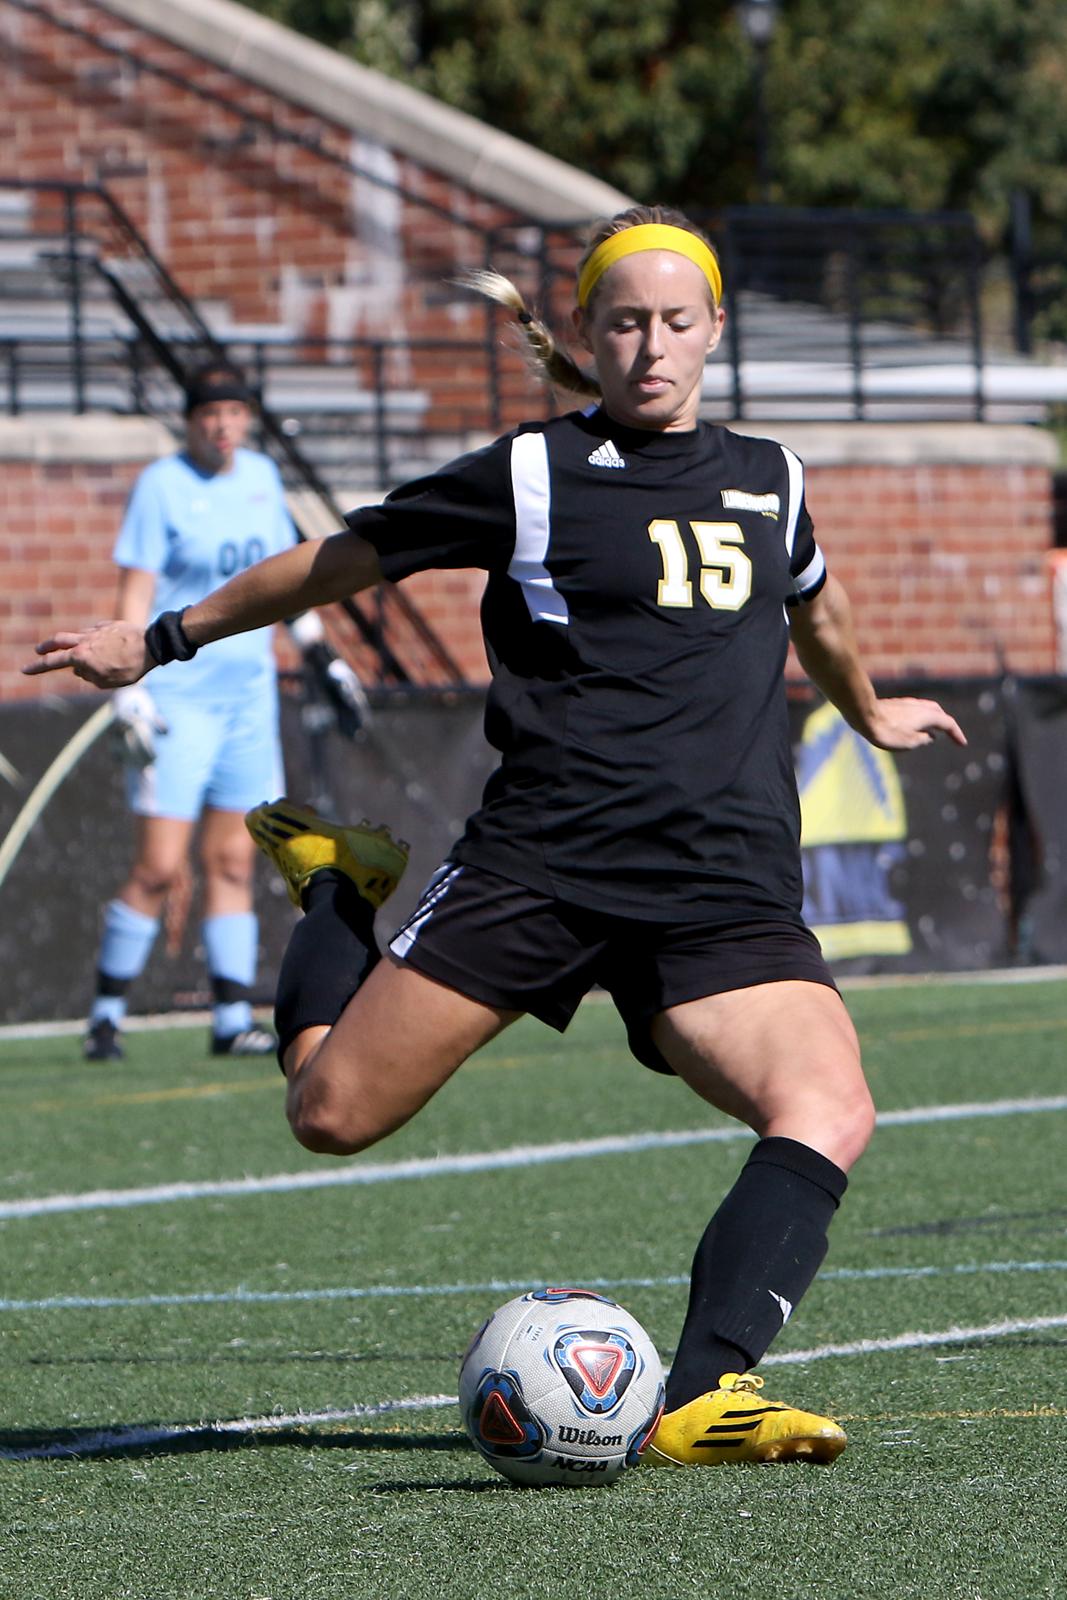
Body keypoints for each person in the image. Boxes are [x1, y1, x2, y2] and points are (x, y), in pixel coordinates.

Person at [27, 206, 966, 1464]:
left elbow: (816, 597)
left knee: (828, 1105)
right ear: (584, 330)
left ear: (714, 331)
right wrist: (156, 639)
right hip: (546, 865)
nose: (650, 346)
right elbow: (334, 561)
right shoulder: (532, 473)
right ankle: (337, 894)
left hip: (718, 887)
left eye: (675, 322)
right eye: (624, 322)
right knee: (327, 1112)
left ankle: (702, 1392)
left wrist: (863, 705)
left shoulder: (769, 476)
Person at [80, 361, 365, 1063]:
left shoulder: (262, 479)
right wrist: (130, 694)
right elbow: (133, 598)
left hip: (247, 700)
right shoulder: (162, 488)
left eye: (235, 412)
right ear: (190, 420)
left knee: (236, 858)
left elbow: (281, 581)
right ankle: (106, 1014)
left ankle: (231, 1016)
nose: (223, 425)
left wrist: (318, 650)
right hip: (178, 702)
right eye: (211, 413)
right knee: (158, 865)